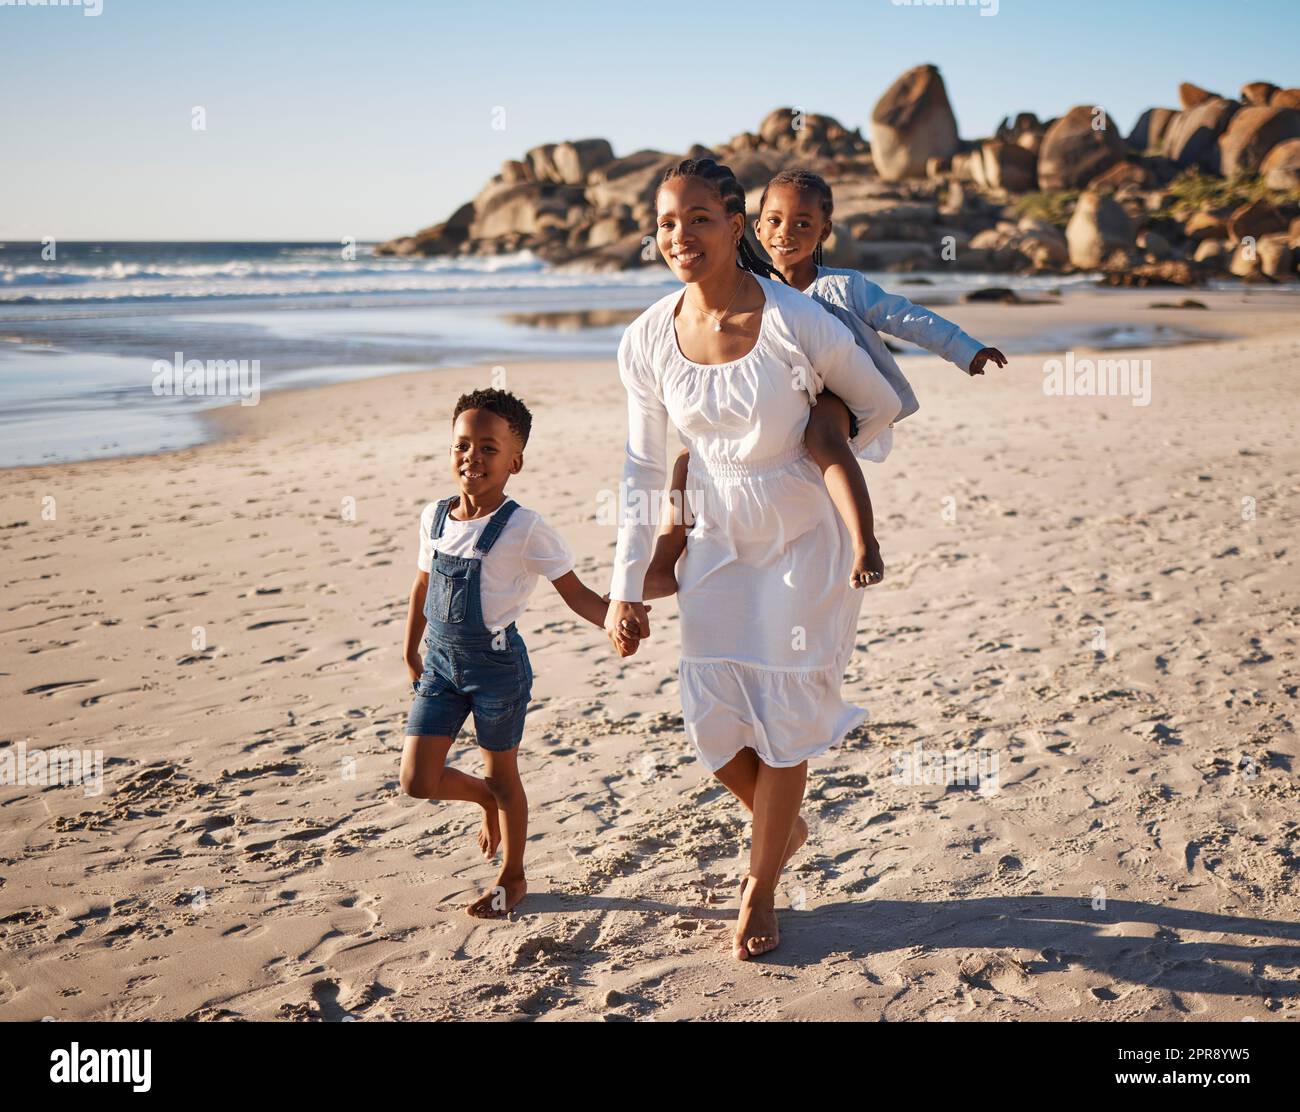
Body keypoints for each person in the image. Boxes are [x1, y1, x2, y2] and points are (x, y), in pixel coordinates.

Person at [605, 159, 902, 960]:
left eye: (697, 218)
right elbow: (640, 466)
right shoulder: (645, 338)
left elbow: (878, 399)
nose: (680, 236)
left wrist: (827, 437)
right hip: (717, 531)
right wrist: (624, 585)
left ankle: (760, 885)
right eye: (667, 223)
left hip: (803, 531)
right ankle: (785, 823)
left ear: (735, 224)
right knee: (711, 712)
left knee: (784, 718)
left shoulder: (795, 320)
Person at [643, 168, 1007, 598]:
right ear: (754, 228)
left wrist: (965, 350)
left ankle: (864, 542)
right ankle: (664, 561)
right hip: (775, 399)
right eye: (774, 221)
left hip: (838, 398)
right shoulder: (746, 290)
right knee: (689, 458)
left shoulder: (842, 287)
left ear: (824, 231)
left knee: (822, 435)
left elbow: (904, 317)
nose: (786, 233)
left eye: (803, 224)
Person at [401, 387, 635, 918]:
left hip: (497, 670)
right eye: (463, 445)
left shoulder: (525, 527)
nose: (472, 458)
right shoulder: (434, 518)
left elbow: (575, 593)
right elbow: (421, 587)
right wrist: (409, 651)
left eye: (488, 448)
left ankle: (514, 875)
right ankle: (484, 800)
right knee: (418, 780)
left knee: (504, 774)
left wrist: (613, 620)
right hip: (438, 665)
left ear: (515, 461)